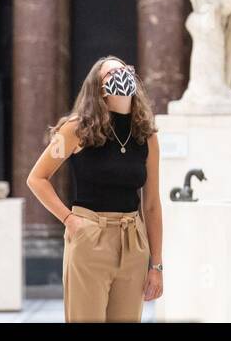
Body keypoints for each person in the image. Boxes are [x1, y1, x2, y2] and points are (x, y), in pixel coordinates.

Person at [26, 56, 163, 322]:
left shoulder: (146, 134)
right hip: (90, 237)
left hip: (133, 241)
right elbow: (37, 178)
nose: (122, 75)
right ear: (99, 88)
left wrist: (156, 264)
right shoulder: (77, 128)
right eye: (112, 74)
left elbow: (152, 205)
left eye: (125, 70)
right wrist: (69, 220)